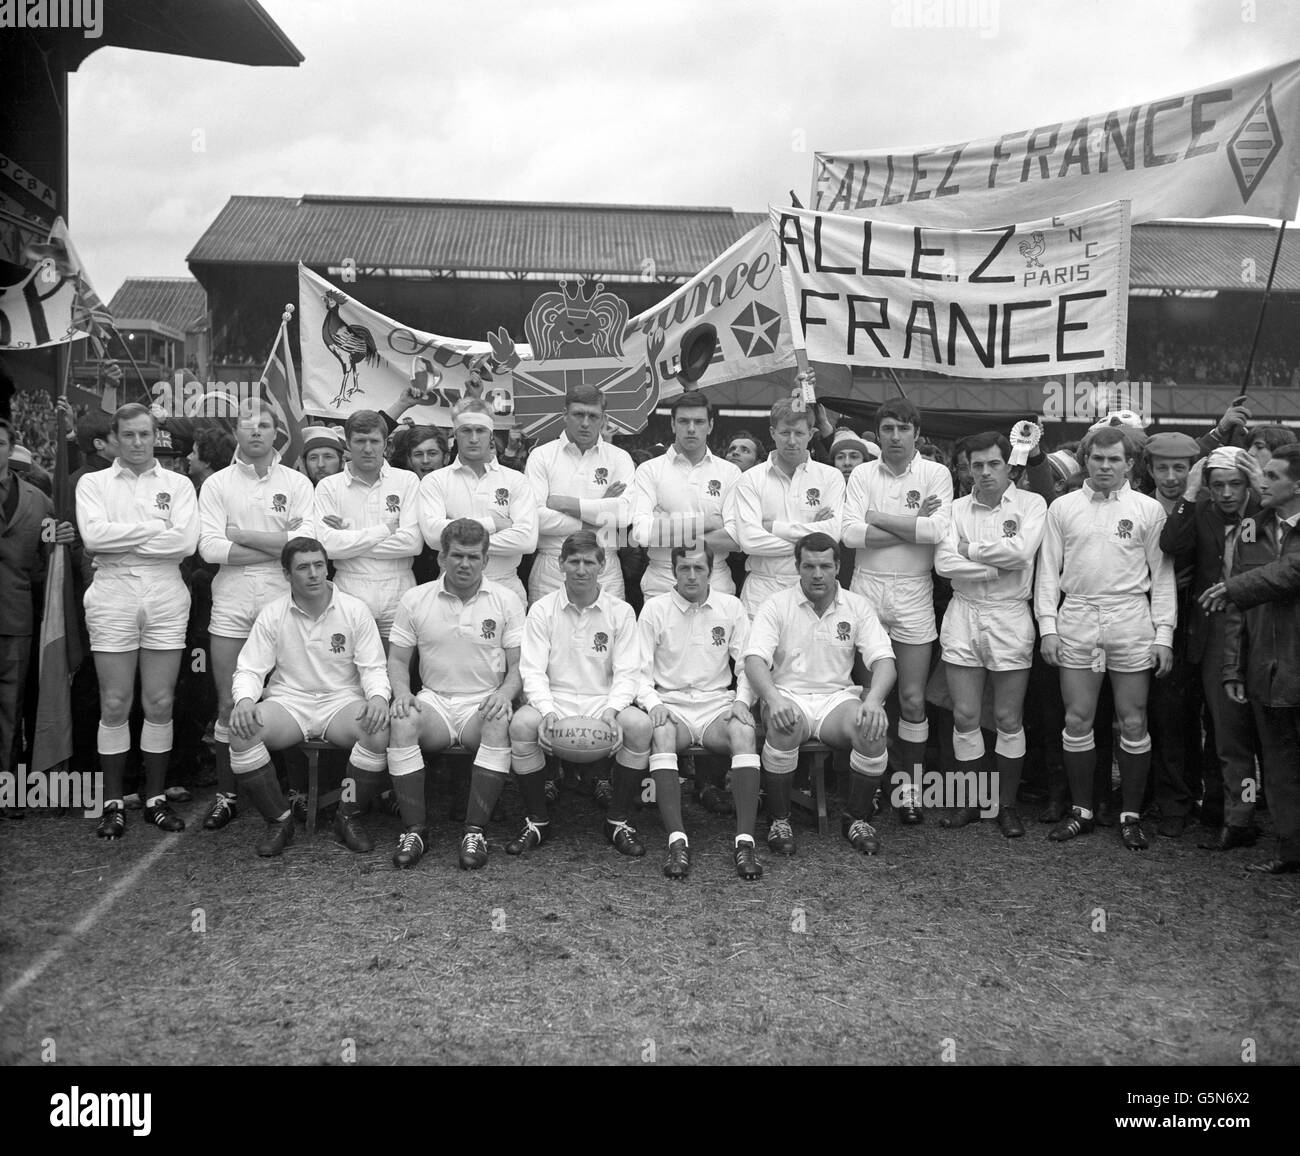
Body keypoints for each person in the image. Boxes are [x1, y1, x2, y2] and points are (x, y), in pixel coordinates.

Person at [1035, 426, 1175, 851]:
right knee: (1077, 719)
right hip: (1077, 616)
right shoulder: (1062, 508)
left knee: (1132, 721)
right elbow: (1046, 571)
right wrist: (1048, 627)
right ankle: (1082, 811)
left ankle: (1130, 815)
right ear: (1086, 460)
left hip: (1130, 618)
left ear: (1130, 464)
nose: (1105, 466)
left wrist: (1164, 634)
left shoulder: (1149, 509)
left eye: (1114, 459)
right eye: (1097, 459)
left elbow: (1162, 576)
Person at [75, 403, 199, 838]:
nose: (138, 442)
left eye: (145, 434)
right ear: (115, 438)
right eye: (128, 435)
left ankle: (154, 797)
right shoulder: (93, 483)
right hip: (113, 591)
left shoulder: (179, 484)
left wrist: (123, 535)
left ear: (154, 435)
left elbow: (184, 542)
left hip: (165, 590)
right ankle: (112, 801)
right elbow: (93, 538)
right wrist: (152, 529)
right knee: (114, 702)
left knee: (160, 702)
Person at [225, 537, 390, 857]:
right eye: (303, 567)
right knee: (240, 731)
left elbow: (373, 668)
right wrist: (245, 700)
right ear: (287, 574)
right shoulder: (273, 613)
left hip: (340, 702)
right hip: (290, 701)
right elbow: (249, 669)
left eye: (319, 565)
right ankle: (279, 821)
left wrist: (379, 698)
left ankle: (348, 817)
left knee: (377, 729)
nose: (314, 574)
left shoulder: (355, 610)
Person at [197, 400, 316, 832]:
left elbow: (304, 544)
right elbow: (209, 548)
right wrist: (276, 544)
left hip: (283, 598)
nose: (256, 432)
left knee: (293, 694)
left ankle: (298, 791)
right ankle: (227, 795)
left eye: (264, 425)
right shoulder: (216, 485)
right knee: (230, 701)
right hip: (230, 599)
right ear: (237, 433)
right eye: (248, 426)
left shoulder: (298, 482)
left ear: (275, 432)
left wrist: (240, 535)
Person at [743, 532, 896, 858]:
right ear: (797, 567)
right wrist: (773, 698)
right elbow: (754, 660)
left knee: (871, 730)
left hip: (835, 700)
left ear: (838, 566)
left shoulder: (856, 605)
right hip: (788, 695)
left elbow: (884, 661)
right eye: (809, 566)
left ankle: (857, 819)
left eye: (825, 565)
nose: (817, 574)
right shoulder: (777, 604)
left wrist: (873, 700)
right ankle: (779, 820)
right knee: (784, 724)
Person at [385, 518, 525, 871]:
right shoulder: (415, 599)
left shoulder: (507, 600)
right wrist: (402, 692)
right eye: (457, 556)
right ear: (441, 558)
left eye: (474, 557)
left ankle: (475, 830)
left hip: (481, 702)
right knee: (402, 719)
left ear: (486, 560)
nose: (465, 564)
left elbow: (519, 665)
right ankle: (415, 830)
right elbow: (399, 660)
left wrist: (505, 694)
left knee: (497, 720)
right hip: (433, 700)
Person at [841, 399, 953, 824]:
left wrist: (878, 517)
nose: (894, 436)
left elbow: (936, 531)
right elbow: (850, 535)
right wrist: (909, 524)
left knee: (911, 698)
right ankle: (870, 787)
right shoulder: (863, 474)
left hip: (913, 591)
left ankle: (909, 789)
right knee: (872, 698)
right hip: (866, 589)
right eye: (887, 428)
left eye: (903, 429)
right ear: (878, 433)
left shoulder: (936, 474)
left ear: (917, 434)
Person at [508, 530, 652, 857]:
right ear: (560, 564)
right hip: (555, 698)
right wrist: (546, 711)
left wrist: (613, 710)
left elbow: (629, 671)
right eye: (574, 561)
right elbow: (531, 670)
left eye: (589, 562)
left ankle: (617, 820)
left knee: (641, 727)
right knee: (520, 726)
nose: (581, 569)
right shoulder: (542, 610)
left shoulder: (621, 611)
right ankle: (537, 820)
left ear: (602, 565)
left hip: (602, 700)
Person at [932, 431, 1046, 836]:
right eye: (976, 465)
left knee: (1006, 716)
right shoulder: (954, 508)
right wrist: (993, 563)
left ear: (1009, 464)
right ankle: (971, 803)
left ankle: (1006, 805)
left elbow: (1022, 553)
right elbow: (944, 563)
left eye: (993, 464)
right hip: (964, 613)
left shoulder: (1032, 504)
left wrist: (970, 549)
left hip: (1010, 614)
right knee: (965, 716)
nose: (984, 472)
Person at [637, 544, 760, 879]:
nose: (691, 576)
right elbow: (638, 671)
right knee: (659, 733)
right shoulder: (654, 610)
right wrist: (655, 705)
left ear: (711, 571)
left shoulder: (730, 607)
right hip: (671, 705)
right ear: (673, 571)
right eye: (684, 569)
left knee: (744, 731)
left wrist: (741, 701)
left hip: (715, 705)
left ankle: (745, 841)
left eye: (699, 569)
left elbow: (749, 665)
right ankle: (677, 840)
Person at [1163, 447, 1263, 849]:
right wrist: (1189, 493)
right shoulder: (1201, 512)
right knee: (1221, 729)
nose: (1226, 493)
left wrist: (1259, 487)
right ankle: (1221, 806)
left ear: (1248, 485)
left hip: (1260, 630)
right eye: (1217, 485)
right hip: (1212, 633)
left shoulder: (1261, 513)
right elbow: (1170, 543)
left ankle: (1244, 816)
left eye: (1235, 484)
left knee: (1239, 735)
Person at [1220, 444, 1300, 873]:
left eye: (1272, 475)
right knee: (1278, 766)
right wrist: (1233, 666)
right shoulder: (1251, 530)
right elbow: (1239, 610)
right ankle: (1290, 851)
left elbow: (1291, 571)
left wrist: (1234, 588)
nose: (1260, 482)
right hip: (1268, 669)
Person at [0, 419, 74, 819]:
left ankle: (7, 789)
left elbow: (51, 559)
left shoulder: (37, 501)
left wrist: (63, 538)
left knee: (11, 708)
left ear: (10, 449)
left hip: (15, 617)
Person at [1142, 431, 1206, 837]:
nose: (1170, 477)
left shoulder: (1202, 505)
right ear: (1148, 469)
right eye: (1162, 468)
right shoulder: (1137, 505)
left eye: (1179, 469)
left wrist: (1192, 495)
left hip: (1185, 618)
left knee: (1174, 713)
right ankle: (1142, 792)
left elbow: (1174, 542)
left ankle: (1176, 801)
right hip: (1134, 614)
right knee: (1137, 710)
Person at [726, 398, 844, 615]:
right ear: (772, 432)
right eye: (784, 433)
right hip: (762, 588)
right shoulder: (751, 478)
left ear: (811, 433)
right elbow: (749, 541)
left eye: (799, 434)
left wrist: (774, 528)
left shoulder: (831, 477)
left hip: (813, 588)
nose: (792, 441)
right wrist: (814, 542)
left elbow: (833, 535)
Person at [314, 410, 422, 642]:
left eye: (374, 441)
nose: (367, 448)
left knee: (396, 668)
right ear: (348, 443)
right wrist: (384, 530)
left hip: (399, 585)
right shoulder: (328, 487)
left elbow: (413, 543)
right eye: (360, 441)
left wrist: (348, 537)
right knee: (350, 669)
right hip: (350, 584)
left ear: (385, 444)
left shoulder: (407, 480)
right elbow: (327, 547)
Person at [418, 398, 537, 606]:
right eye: (466, 430)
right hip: (451, 586)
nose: (473, 438)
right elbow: (433, 536)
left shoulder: (516, 480)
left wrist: (455, 536)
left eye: (480, 430)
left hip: (505, 584)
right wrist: (495, 524)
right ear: (455, 434)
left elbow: (526, 541)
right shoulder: (435, 480)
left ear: (491, 435)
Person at [524, 386, 634, 604]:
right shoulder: (541, 456)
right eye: (578, 414)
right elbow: (534, 517)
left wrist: (565, 503)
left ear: (604, 419)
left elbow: (624, 515)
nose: (585, 423)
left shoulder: (619, 458)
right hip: (552, 567)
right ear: (565, 415)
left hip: (605, 567)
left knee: (609, 636)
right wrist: (597, 513)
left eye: (593, 416)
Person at [629, 390, 739, 599]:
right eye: (683, 421)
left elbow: (734, 538)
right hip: (662, 581)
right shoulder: (649, 470)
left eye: (698, 422)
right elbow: (642, 534)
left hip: (715, 580)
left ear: (711, 425)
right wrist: (706, 522)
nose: (691, 429)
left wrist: (665, 528)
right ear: (672, 424)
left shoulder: (730, 472)